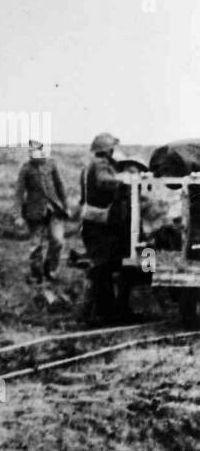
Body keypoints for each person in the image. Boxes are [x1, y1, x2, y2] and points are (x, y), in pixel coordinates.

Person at [79, 131, 135, 323]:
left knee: (106, 266)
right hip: (99, 226)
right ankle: (105, 313)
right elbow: (104, 182)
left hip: (95, 224)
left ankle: (106, 311)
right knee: (103, 268)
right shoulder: (101, 165)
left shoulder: (90, 165)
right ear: (108, 150)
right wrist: (123, 180)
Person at [15, 139, 68, 282]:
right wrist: (18, 215)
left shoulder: (51, 164)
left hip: (54, 210)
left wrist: (65, 206)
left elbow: (60, 185)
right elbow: (19, 193)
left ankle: (50, 269)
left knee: (57, 241)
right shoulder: (26, 169)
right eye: (33, 152)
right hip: (34, 211)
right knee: (35, 245)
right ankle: (35, 274)